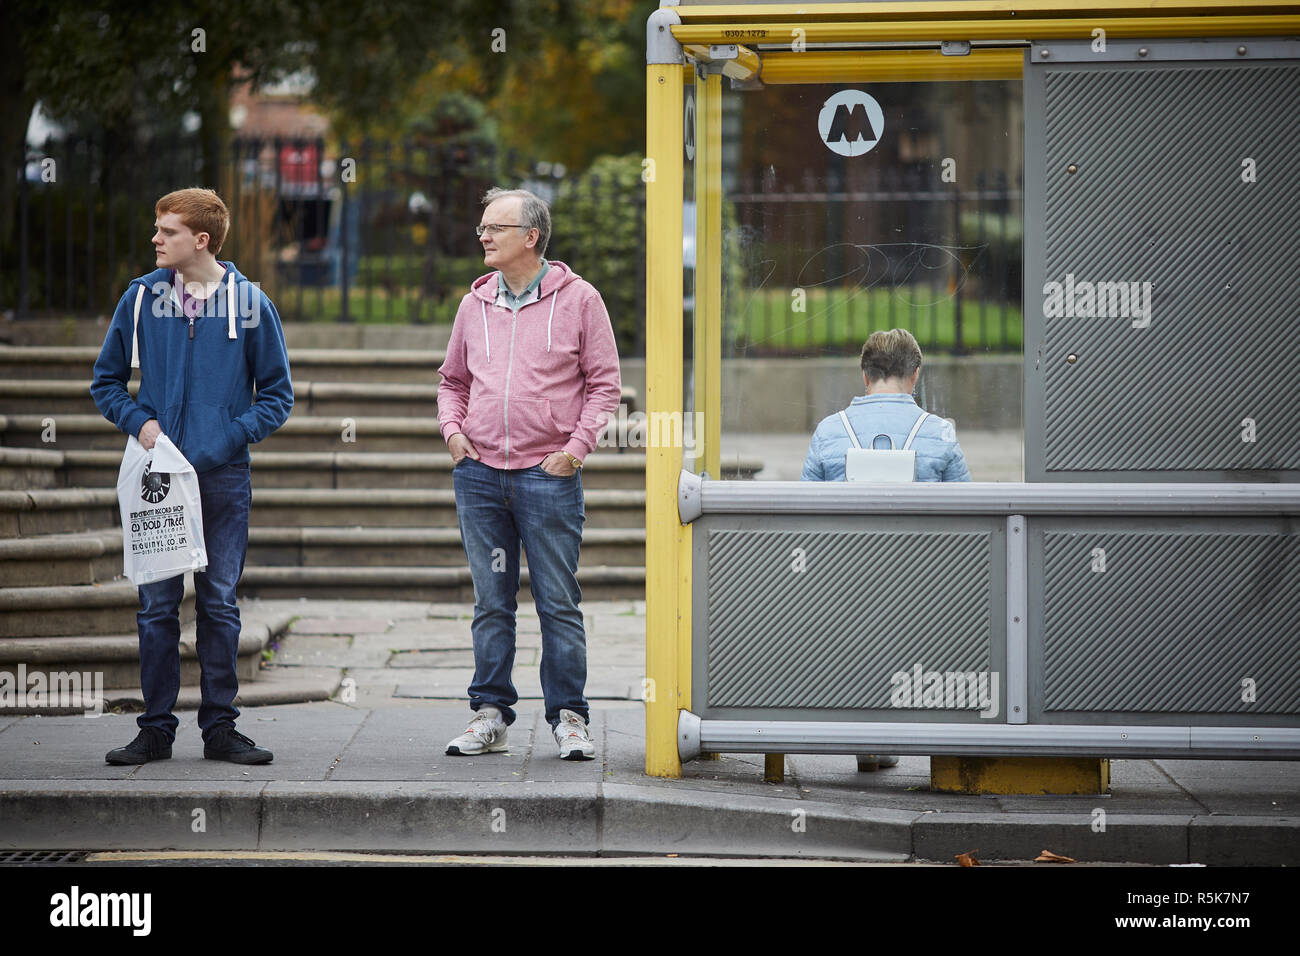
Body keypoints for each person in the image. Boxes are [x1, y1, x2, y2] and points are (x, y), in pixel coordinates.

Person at [91, 187, 293, 765]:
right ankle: (154, 729)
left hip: (223, 477)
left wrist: (225, 438)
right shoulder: (139, 299)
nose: (155, 239)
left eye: (167, 231)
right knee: (156, 606)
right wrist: (143, 425)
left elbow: (277, 397)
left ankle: (221, 729)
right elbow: (106, 383)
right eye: (157, 229)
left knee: (219, 604)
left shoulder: (250, 303)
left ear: (200, 240)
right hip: (158, 478)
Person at [437, 187, 621, 760]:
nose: (483, 236)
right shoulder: (474, 305)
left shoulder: (581, 299)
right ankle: (488, 716)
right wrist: (454, 434)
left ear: (531, 237)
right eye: (482, 228)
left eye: (495, 227)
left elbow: (605, 383)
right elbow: (453, 381)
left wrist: (575, 450)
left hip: (549, 476)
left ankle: (569, 717)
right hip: (480, 474)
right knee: (491, 602)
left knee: (557, 601)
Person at [802, 328, 970, 770]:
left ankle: (869, 733)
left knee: (863, 623)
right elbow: (971, 515)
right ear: (915, 376)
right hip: (923, 591)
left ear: (864, 375)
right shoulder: (940, 434)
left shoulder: (827, 432)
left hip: (842, 589)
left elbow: (801, 515)